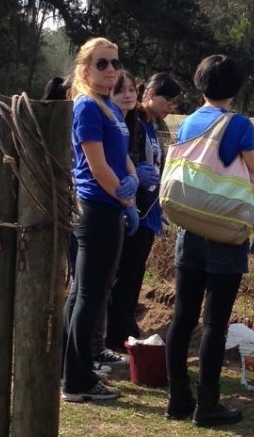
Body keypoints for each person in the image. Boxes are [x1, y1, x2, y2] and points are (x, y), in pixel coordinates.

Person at [164, 54, 254, 427]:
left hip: (189, 230)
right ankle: (207, 405)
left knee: (182, 316)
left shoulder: (189, 121)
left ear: (200, 83)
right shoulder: (238, 125)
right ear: (236, 87)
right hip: (225, 233)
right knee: (215, 323)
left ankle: (177, 396)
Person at [61, 37, 138, 404]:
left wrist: (132, 181)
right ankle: (76, 380)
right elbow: (96, 164)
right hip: (96, 208)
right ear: (85, 69)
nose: (111, 70)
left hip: (111, 206)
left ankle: (69, 368)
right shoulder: (87, 107)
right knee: (88, 295)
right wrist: (125, 197)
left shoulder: (109, 106)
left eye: (115, 63)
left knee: (83, 293)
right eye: (102, 64)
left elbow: (118, 156)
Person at [106, 70, 183, 351]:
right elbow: (123, 157)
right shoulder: (133, 121)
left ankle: (123, 330)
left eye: (174, 103)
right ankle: (116, 334)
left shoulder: (152, 126)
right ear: (150, 94)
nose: (170, 108)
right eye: (168, 100)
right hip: (132, 207)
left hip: (149, 210)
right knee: (123, 274)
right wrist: (137, 174)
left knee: (135, 272)